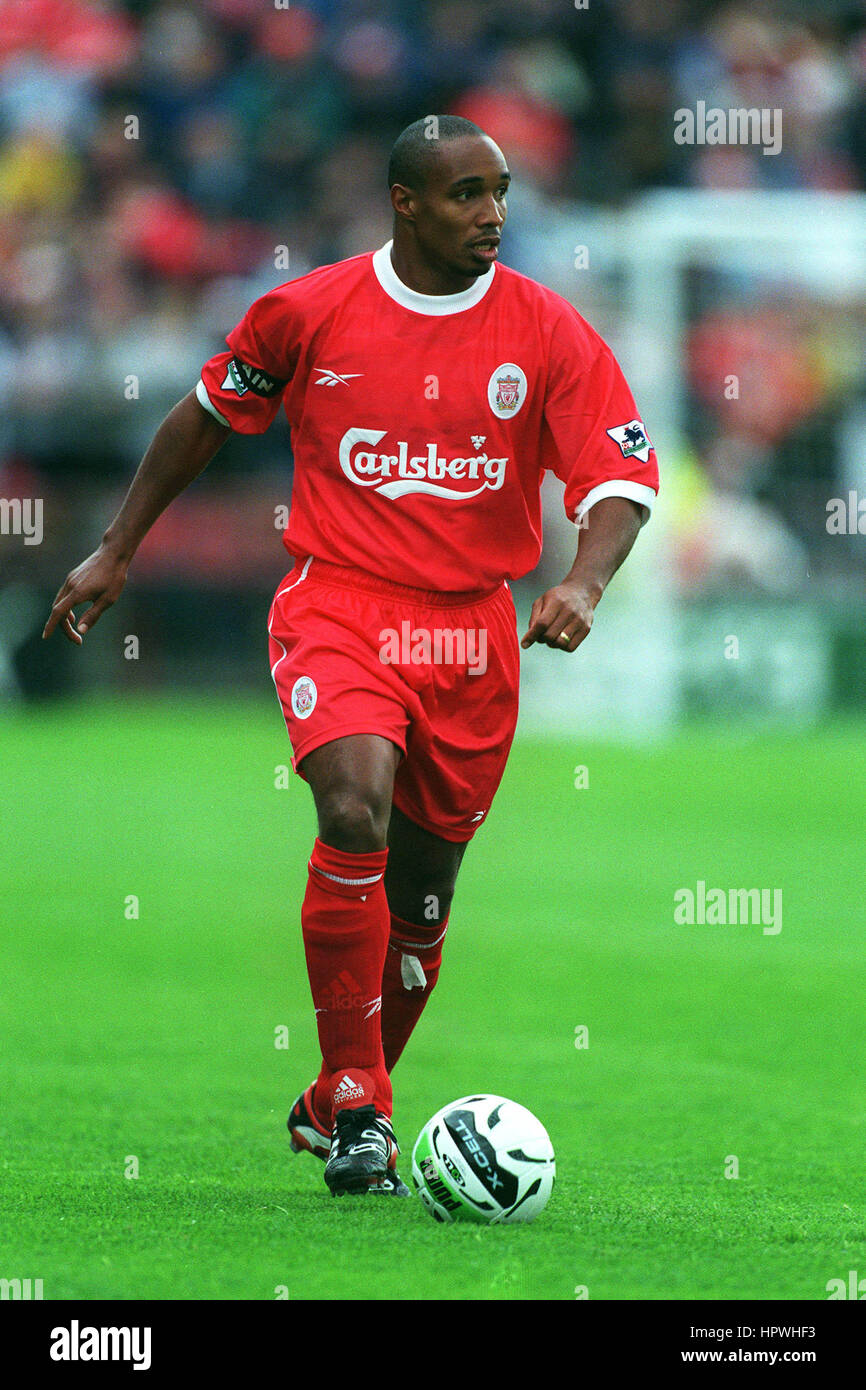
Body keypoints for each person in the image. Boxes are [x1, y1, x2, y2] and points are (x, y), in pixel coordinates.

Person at [43, 116, 658, 1199]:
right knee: (351, 809)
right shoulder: (311, 309)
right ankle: (361, 1096)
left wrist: (582, 580)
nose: (492, 213)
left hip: (473, 632)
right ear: (405, 204)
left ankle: (343, 1102)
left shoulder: (545, 331)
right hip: (341, 606)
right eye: (465, 194)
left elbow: (618, 476)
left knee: (421, 897)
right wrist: (114, 547)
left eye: (499, 190)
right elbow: (200, 418)